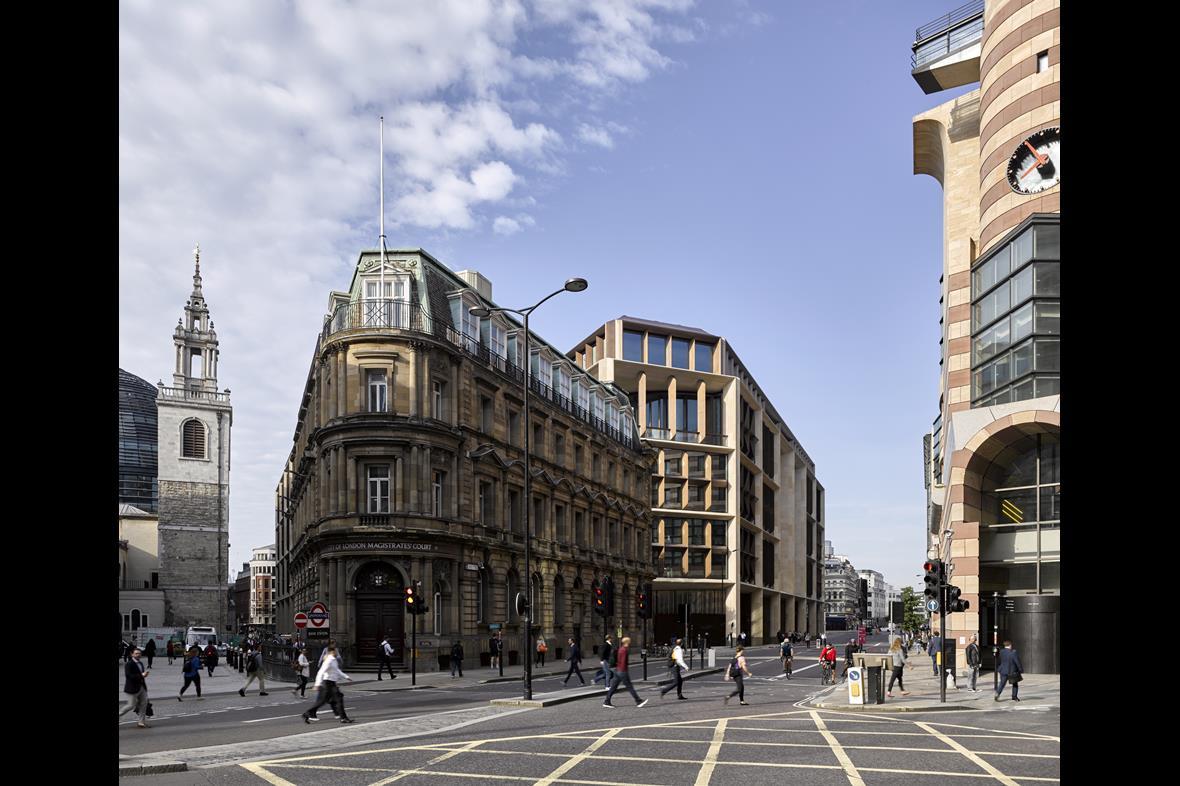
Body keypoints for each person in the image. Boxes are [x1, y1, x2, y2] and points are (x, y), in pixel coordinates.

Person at [303, 642, 353, 723]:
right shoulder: (329, 660)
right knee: (322, 701)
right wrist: (317, 684)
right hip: (327, 683)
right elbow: (321, 672)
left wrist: (346, 677)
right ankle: (308, 713)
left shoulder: (333, 660)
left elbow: (337, 670)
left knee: (337, 699)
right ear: (332, 651)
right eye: (336, 651)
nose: (337, 652)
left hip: (332, 683)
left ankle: (343, 717)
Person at [603, 636, 647, 708]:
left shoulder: (621, 649)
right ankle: (638, 701)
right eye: (629, 641)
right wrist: (624, 671)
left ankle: (607, 701)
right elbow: (623, 662)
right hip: (622, 671)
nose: (630, 643)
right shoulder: (624, 650)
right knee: (630, 687)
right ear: (627, 642)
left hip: (618, 670)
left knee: (613, 687)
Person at [120, 647, 150, 728]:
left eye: (139, 653)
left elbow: (141, 676)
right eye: (136, 653)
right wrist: (142, 675)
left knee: (144, 704)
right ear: (132, 654)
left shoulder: (140, 663)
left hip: (141, 687)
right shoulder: (129, 664)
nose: (138, 655)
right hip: (132, 688)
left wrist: (143, 676)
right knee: (130, 705)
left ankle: (141, 722)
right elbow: (129, 676)